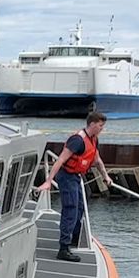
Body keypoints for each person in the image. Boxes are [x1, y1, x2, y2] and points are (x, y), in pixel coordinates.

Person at [37, 111, 112, 262]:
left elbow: (97, 160)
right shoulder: (77, 140)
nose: (102, 129)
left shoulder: (94, 139)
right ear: (92, 124)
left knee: (80, 208)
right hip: (66, 176)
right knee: (70, 208)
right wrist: (48, 181)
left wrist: (106, 176)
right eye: (100, 125)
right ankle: (63, 248)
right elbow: (60, 160)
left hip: (76, 176)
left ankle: (74, 238)